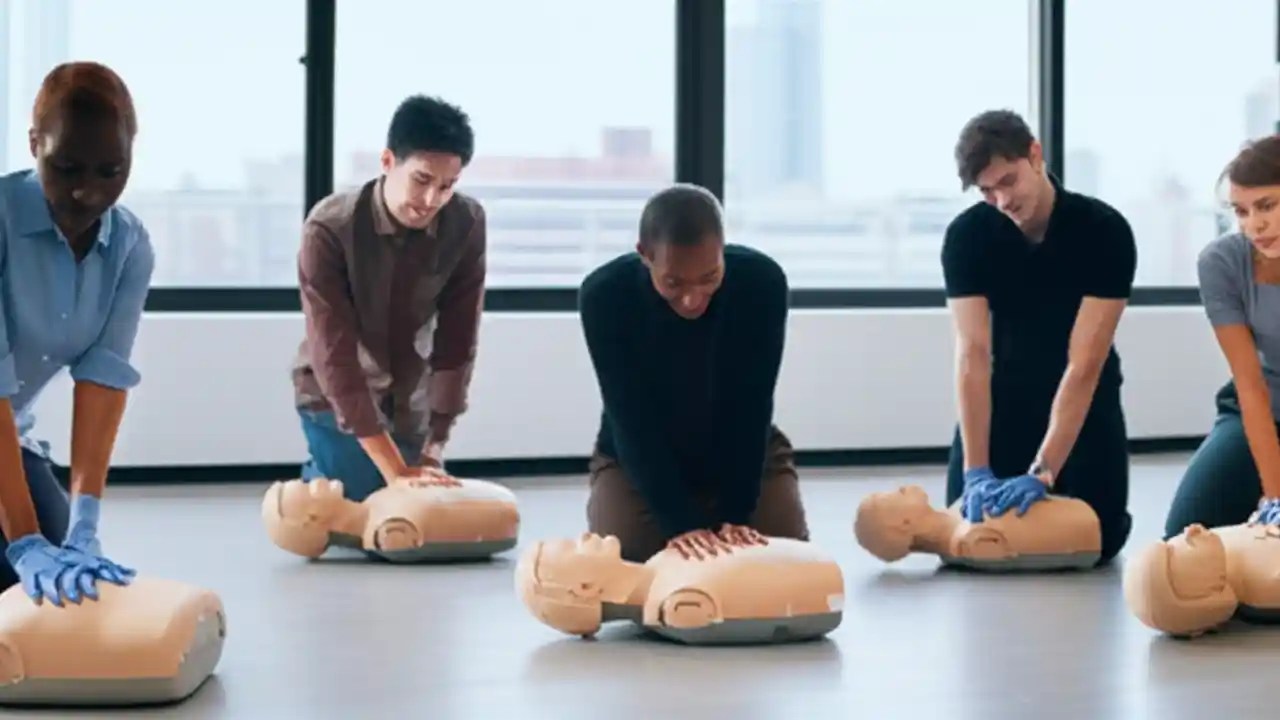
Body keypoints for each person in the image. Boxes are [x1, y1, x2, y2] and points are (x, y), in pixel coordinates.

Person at [940, 109, 1136, 565]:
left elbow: (1084, 363)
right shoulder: (968, 237)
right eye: (987, 191)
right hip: (1003, 400)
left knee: (1102, 538)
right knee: (966, 534)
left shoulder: (1104, 231)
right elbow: (972, 355)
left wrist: (1044, 471)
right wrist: (976, 469)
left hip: (1083, 403)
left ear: (1035, 155)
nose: (1002, 200)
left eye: (1008, 181)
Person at [578, 183, 808, 563]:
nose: (692, 298)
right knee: (630, 553)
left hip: (741, 451)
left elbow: (751, 404)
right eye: (673, 283)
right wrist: (680, 523)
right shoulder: (605, 296)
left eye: (709, 278)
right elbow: (630, 417)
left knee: (780, 552)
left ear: (723, 251)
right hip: (637, 457)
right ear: (645, 255)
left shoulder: (761, 283)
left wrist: (737, 513)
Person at [0, 61, 149, 605]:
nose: (88, 192)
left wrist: (84, 522)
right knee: (18, 565)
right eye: (66, 168)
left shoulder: (129, 245)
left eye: (111, 171)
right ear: (34, 143)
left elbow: (103, 381)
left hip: (9, 436)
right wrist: (21, 540)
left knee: (64, 575)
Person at [292, 94, 485, 502]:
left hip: (407, 406)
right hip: (333, 401)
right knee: (370, 500)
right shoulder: (329, 228)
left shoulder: (466, 223)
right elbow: (334, 357)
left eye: (447, 186)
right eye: (421, 180)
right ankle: (317, 475)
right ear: (387, 163)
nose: (432, 200)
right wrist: (395, 473)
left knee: (424, 509)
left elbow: (457, 342)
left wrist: (435, 449)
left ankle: (378, 468)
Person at [1162, 134, 1280, 538]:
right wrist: (1274, 496)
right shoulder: (1221, 262)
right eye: (1241, 211)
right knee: (1183, 538)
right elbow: (1249, 384)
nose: (1254, 225)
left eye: (1267, 206)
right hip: (1261, 402)